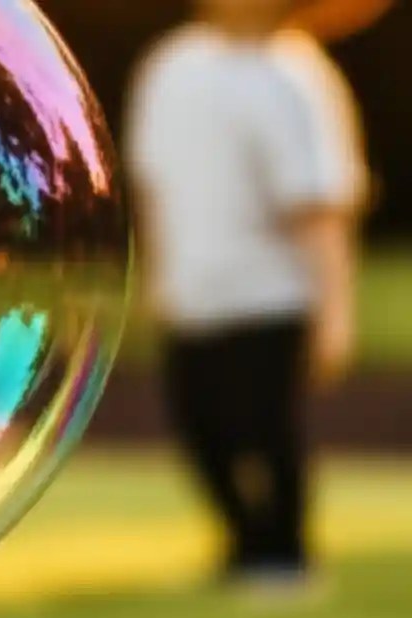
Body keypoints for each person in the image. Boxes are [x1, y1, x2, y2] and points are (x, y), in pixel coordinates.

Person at [125, 0, 368, 585]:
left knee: (266, 430)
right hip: (193, 290)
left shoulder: (297, 78)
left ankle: (284, 554)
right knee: (200, 428)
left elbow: (320, 207)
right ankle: (245, 546)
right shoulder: (172, 64)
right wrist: (156, 274)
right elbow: (151, 182)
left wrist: (336, 313)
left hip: (272, 294)